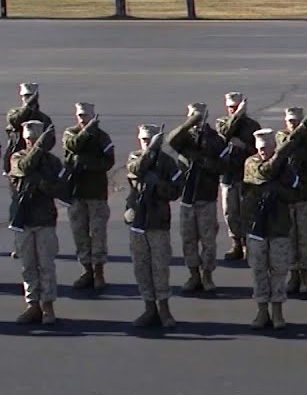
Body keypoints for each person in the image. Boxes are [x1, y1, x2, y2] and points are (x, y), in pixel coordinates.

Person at [123, 123, 183, 329]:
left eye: (150, 140)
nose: (145, 143)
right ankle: (149, 308)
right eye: (144, 140)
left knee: (160, 267)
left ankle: (164, 309)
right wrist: (148, 152)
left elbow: (176, 191)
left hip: (158, 222)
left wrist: (158, 184)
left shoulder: (168, 163)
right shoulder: (134, 157)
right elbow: (136, 169)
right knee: (141, 267)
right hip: (138, 221)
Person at [8, 119, 68, 324]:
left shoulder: (52, 162)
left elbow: (61, 189)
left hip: (44, 219)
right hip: (24, 220)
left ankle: (47, 305)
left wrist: (42, 184)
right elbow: (24, 167)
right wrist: (38, 151)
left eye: (35, 139)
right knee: (28, 265)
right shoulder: (17, 157)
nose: (31, 143)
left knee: (46, 265)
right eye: (29, 139)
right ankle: (32, 304)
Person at [241, 127, 301, 330]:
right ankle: (261, 310)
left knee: (278, 270)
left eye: (267, 148)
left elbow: (294, 192)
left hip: (279, 226)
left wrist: (278, 190)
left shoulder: (286, 167)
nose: (262, 152)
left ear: (273, 147)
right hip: (257, 226)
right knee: (259, 270)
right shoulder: (251, 162)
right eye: (260, 148)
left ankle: (277, 311)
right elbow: (264, 172)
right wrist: (281, 156)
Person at [167, 103, 228, 294]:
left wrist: (203, 161)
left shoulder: (215, 139)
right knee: (188, 239)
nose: (196, 120)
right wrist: (189, 124)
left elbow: (223, 166)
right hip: (187, 196)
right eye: (192, 116)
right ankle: (193, 274)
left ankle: (207, 274)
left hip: (206, 196)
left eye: (198, 116)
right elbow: (171, 140)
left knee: (208, 239)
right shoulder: (184, 137)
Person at [62, 102, 115, 292]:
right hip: (76, 193)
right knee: (80, 233)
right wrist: (86, 133)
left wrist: (87, 165)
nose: (82, 119)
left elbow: (109, 161)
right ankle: (86, 270)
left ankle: (99, 271)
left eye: (85, 115)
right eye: (80, 115)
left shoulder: (102, 137)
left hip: (96, 193)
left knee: (98, 233)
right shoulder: (71, 133)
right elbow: (73, 146)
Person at [278, 108, 307, 295]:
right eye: (290, 121)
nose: (292, 123)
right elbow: (285, 146)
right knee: (289, 237)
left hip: (305, 194)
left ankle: (304, 275)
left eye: (296, 121)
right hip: (287, 196)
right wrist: (303, 127)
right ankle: (293, 274)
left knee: (304, 237)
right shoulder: (281, 136)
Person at [217, 92, 262, 261]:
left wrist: (244, 146)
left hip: (246, 176)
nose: (232, 110)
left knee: (247, 211)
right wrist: (236, 116)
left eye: (235, 107)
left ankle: (247, 244)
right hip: (228, 175)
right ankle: (235, 242)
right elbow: (225, 133)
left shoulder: (252, 126)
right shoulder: (222, 123)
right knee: (230, 211)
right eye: (230, 107)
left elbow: (260, 152)